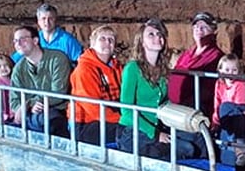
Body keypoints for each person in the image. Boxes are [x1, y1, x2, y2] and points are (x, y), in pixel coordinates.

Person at [115, 18, 172, 159]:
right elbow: (126, 110)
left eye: (159, 34)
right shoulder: (132, 69)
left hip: (155, 126)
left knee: (190, 144)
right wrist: (155, 133)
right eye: (151, 35)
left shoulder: (163, 70)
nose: (157, 37)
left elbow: (164, 102)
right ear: (142, 42)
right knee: (174, 151)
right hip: (132, 130)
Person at [10, 25, 71, 134]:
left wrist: (30, 103)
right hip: (31, 113)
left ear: (35, 40)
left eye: (23, 39)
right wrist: (26, 108)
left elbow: (58, 93)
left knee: (52, 121)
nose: (18, 44)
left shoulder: (57, 59)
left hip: (57, 109)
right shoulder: (18, 69)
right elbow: (14, 100)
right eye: (15, 41)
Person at [69, 25, 123, 144]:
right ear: (92, 44)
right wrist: (123, 120)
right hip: (86, 122)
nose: (107, 43)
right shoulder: (84, 69)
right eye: (102, 39)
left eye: (111, 40)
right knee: (130, 132)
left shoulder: (117, 67)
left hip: (109, 114)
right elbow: (93, 108)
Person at [167, 11, 223, 118]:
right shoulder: (187, 53)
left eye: (204, 26)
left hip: (193, 109)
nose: (199, 29)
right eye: (196, 26)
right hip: (173, 107)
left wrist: (188, 104)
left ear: (213, 31)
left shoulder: (216, 56)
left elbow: (209, 88)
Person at [211, 52, 245, 132]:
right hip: (223, 118)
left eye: (234, 70)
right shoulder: (219, 84)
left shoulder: (240, 85)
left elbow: (241, 108)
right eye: (227, 70)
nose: (230, 73)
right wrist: (215, 120)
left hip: (236, 120)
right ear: (220, 70)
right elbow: (217, 102)